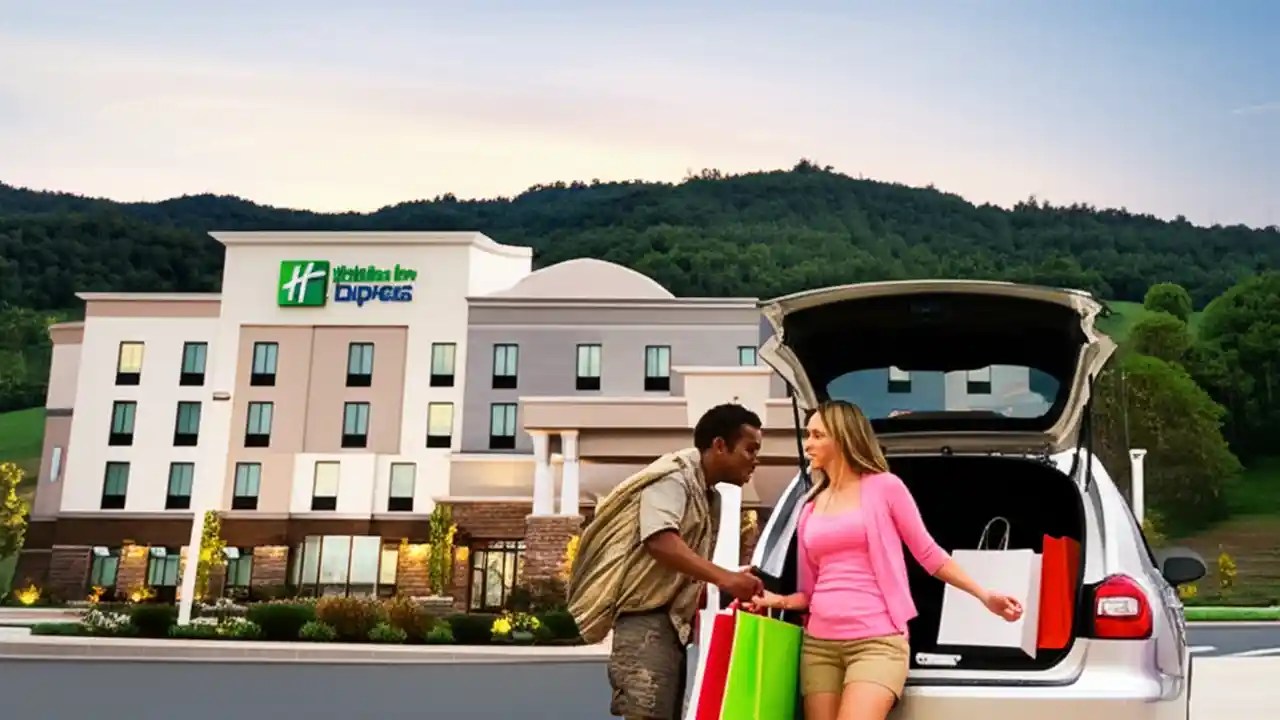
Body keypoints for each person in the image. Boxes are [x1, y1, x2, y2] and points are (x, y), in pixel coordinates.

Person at [747, 400, 1023, 720]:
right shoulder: (809, 507)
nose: (808, 443)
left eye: (818, 435)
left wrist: (984, 594)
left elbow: (928, 553)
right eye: (808, 435)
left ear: (844, 438)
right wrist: (775, 600)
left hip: (876, 643)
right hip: (819, 647)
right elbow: (811, 592)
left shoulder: (884, 488)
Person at [567, 402, 766, 720]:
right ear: (719, 445)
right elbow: (659, 540)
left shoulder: (709, 495)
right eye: (750, 449)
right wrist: (725, 578)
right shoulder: (673, 477)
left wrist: (724, 583)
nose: (755, 460)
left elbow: (683, 563)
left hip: (670, 626)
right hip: (645, 621)